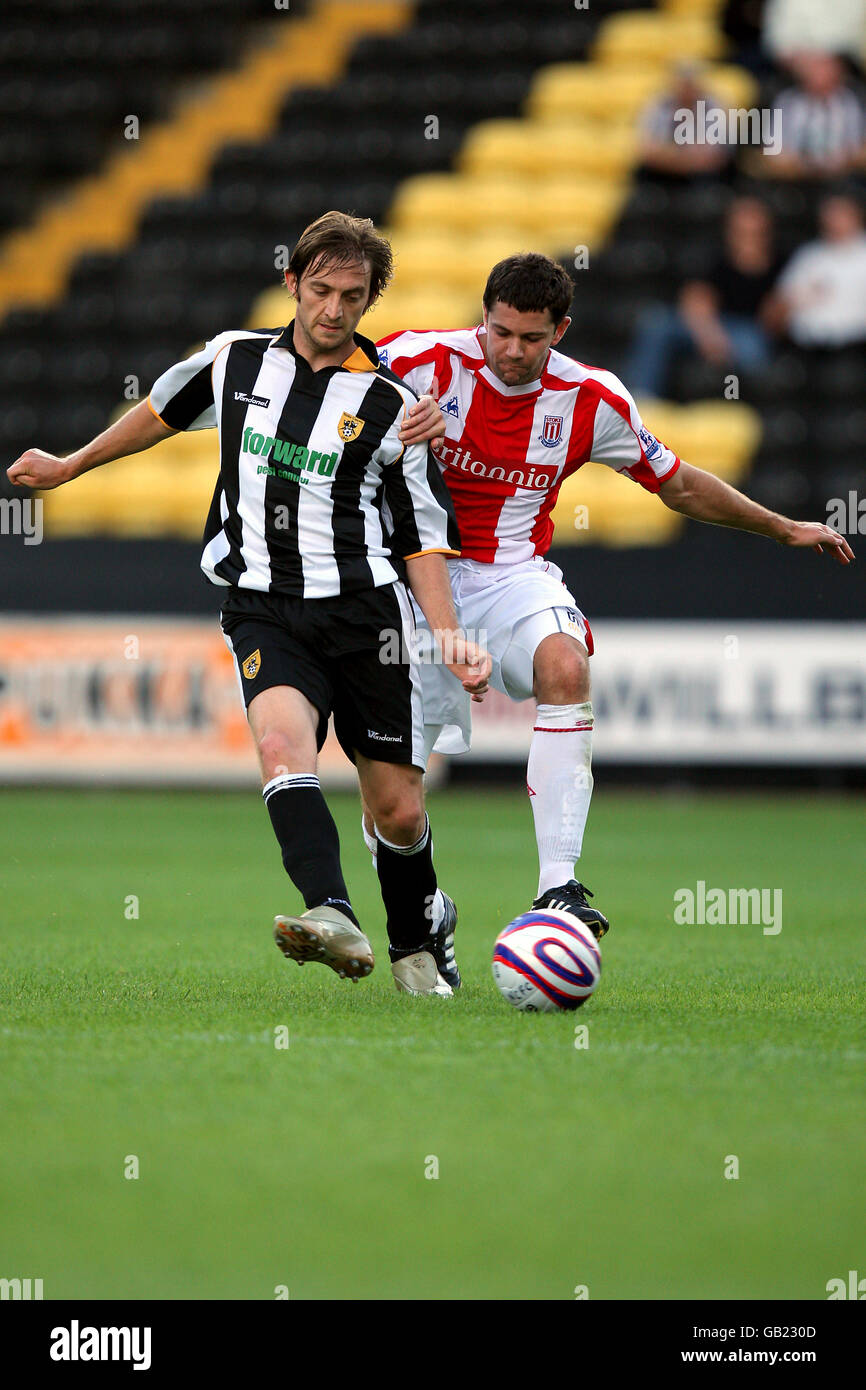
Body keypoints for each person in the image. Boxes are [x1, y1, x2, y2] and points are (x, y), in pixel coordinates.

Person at [6, 210, 491, 999]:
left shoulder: (394, 409)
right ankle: (331, 911)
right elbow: (157, 414)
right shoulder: (234, 361)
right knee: (279, 747)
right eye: (322, 289)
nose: (333, 310)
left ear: (371, 301)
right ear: (293, 282)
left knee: (398, 814)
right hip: (264, 605)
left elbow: (421, 542)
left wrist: (450, 638)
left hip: (365, 617)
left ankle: (420, 932)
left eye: (353, 295)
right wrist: (72, 465)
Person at [374, 252, 854, 940]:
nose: (512, 351)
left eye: (531, 338)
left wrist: (780, 527)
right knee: (391, 807)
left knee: (565, 665)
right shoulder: (414, 361)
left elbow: (678, 483)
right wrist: (389, 437)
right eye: (501, 332)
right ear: (483, 317)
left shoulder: (591, 399)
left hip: (510, 574)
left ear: (560, 331)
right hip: (407, 579)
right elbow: (325, 403)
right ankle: (428, 916)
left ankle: (558, 888)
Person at [624, 195, 782, 398]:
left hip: (749, 329)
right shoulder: (712, 255)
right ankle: (642, 399)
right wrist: (711, 335)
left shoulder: (781, 260)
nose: (748, 238)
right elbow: (696, 299)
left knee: (752, 349)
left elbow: (776, 317)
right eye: (741, 231)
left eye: (755, 232)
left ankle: (748, 408)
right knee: (656, 321)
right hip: (710, 324)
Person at [764, 190, 866, 347]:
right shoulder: (809, 254)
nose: (833, 219)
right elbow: (778, 304)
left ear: (856, 214)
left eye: (840, 212)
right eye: (829, 213)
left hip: (854, 348)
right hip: (806, 347)